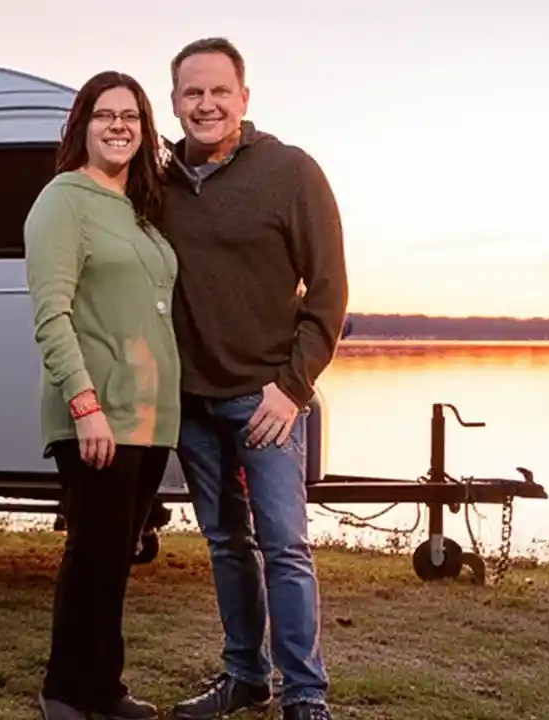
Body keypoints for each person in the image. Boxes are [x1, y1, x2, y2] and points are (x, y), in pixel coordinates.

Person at [157, 38, 349, 720]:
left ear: (243, 98)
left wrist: (292, 388)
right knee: (226, 544)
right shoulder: (160, 184)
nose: (205, 104)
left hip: (265, 399)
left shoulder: (291, 172)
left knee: (285, 547)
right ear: (174, 102)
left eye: (219, 91)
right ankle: (245, 675)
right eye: (192, 92)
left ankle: (305, 694)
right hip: (192, 401)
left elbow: (329, 292)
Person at [23, 69, 180, 720]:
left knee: (115, 558)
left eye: (131, 116)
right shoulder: (64, 200)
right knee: (91, 553)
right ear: (82, 126)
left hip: (149, 413)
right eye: (105, 115)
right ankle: (65, 689)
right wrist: (84, 404)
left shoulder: (138, 210)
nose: (119, 126)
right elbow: (50, 314)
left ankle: (103, 689)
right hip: (98, 412)